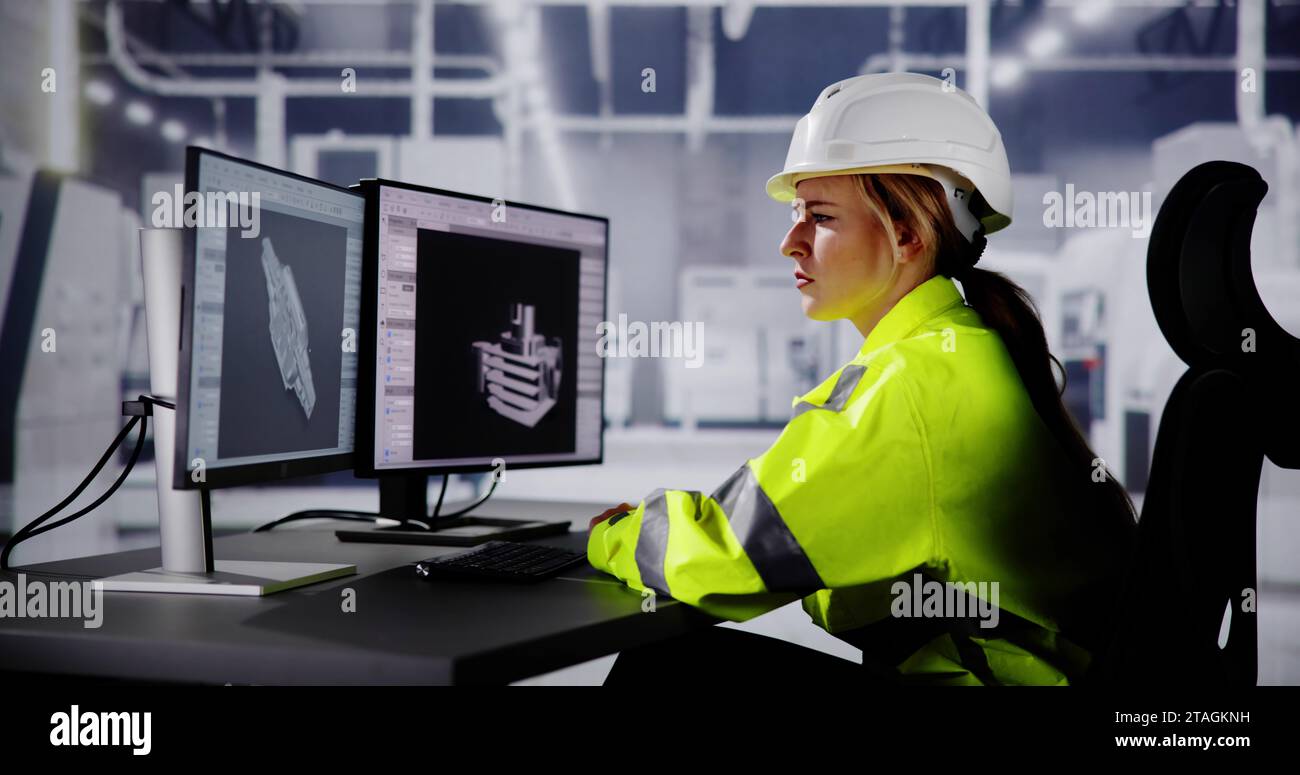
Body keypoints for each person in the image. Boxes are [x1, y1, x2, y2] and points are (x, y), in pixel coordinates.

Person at [587, 73, 1138, 686]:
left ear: (907, 234)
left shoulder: (910, 381)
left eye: (819, 216)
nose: (789, 243)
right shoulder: (963, 351)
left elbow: (729, 562)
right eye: (797, 213)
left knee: (664, 669)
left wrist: (617, 533)